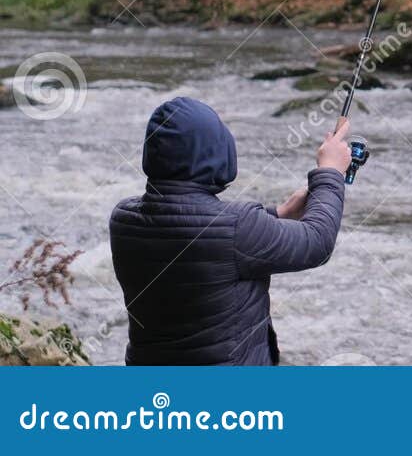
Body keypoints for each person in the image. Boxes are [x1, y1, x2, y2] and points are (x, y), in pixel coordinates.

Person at [109, 97, 352, 365]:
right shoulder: (238, 227)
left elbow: (199, 233)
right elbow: (317, 242)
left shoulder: (124, 219)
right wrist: (331, 171)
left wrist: (279, 213)